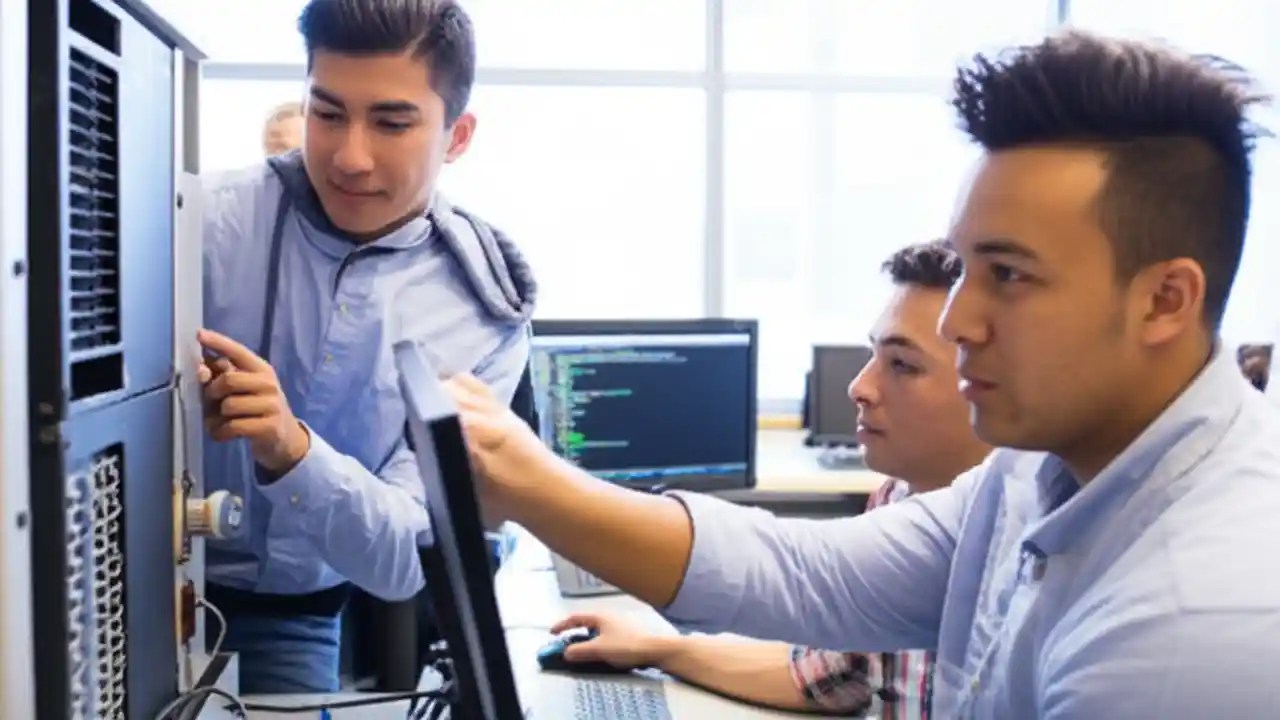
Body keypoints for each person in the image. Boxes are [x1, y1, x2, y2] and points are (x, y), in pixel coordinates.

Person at [444, 30, 1280, 718]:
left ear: (1165, 300)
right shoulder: (1043, 464)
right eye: (964, 273)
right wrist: (528, 482)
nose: (958, 322)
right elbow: (811, 572)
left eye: (1009, 276)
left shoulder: (1187, 631)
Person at [197, 0, 535, 693]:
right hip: (127, 584)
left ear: (457, 135)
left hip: (295, 621)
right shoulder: (195, 222)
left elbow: (406, 560)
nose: (350, 157)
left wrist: (293, 452)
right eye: (327, 113)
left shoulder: (486, 313)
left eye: (391, 122)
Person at [549, 241, 990, 717]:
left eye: (902, 364)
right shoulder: (896, 496)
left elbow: (784, 577)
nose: (859, 387)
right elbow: (830, 675)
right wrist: (658, 650)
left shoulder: (1021, 549)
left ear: (993, 381)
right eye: (873, 355)